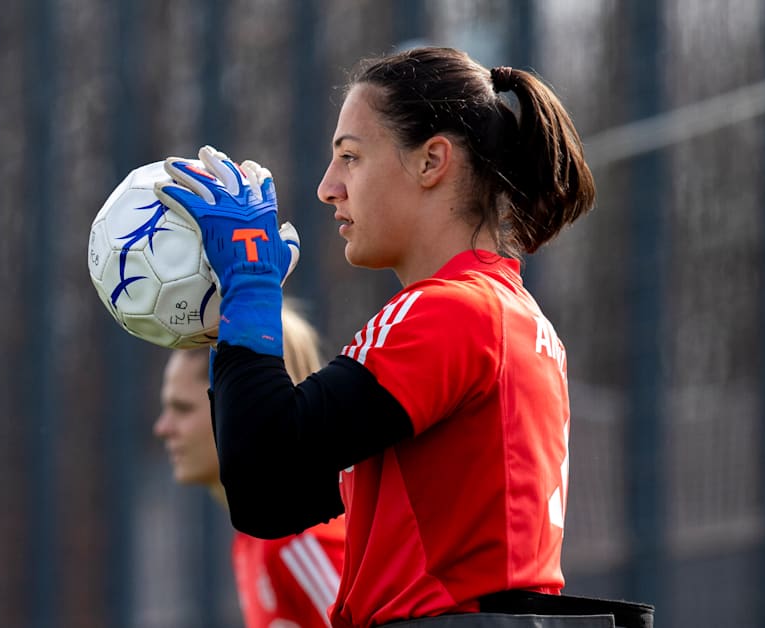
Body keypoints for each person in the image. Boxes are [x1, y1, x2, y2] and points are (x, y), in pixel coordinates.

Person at [155, 47, 652, 628]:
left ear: (431, 161)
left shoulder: (447, 312)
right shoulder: (512, 314)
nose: (328, 187)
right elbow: (273, 502)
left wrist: (249, 290)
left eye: (350, 157)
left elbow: (262, 473)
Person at [153, 306, 346, 628]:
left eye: (182, 409)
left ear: (235, 406)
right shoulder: (255, 539)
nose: (162, 428)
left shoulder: (298, 538)